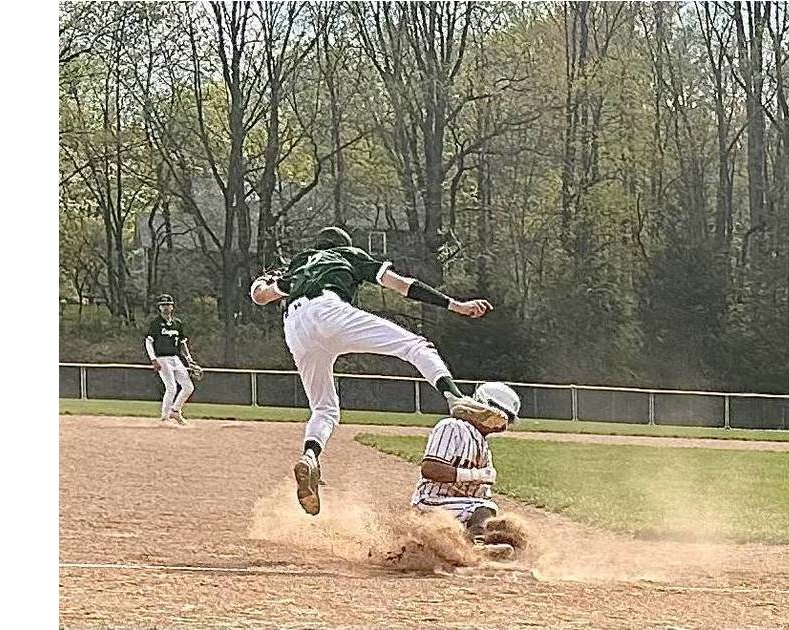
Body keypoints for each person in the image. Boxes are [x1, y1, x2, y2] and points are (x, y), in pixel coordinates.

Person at [249, 226, 509, 516]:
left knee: (324, 409)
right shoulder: (348, 255)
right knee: (416, 346)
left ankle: (310, 456)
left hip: (295, 328)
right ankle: (456, 398)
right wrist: (455, 305)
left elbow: (260, 296)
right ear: (342, 245)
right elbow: (402, 285)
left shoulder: (299, 266)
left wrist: (261, 281)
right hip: (328, 310)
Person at [410, 382, 520, 559]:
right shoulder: (451, 427)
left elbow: (481, 496)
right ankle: (477, 547)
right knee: (484, 508)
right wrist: (476, 475)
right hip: (431, 501)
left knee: (502, 526)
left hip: (458, 508)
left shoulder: (483, 446)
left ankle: (472, 547)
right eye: (502, 417)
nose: (503, 426)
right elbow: (430, 468)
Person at [144, 294, 199, 425]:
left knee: (188, 387)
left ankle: (175, 410)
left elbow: (182, 343)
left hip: (175, 358)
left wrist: (189, 360)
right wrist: (153, 359)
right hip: (162, 358)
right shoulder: (156, 324)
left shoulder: (177, 324)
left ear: (172, 307)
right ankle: (164, 417)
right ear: (159, 308)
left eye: (168, 305)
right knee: (171, 387)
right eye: (163, 305)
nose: (166, 307)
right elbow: (148, 342)